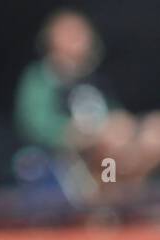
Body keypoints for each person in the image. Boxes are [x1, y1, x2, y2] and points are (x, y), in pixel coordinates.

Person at [15, 9, 160, 188]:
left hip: (111, 146)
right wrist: (83, 133)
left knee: (154, 132)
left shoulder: (95, 79)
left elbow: (114, 113)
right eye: (69, 33)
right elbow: (36, 126)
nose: (78, 38)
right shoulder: (42, 78)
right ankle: (110, 196)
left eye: (81, 32)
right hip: (72, 156)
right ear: (51, 39)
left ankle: (129, 194)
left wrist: (124, 124)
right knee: (114, 142)